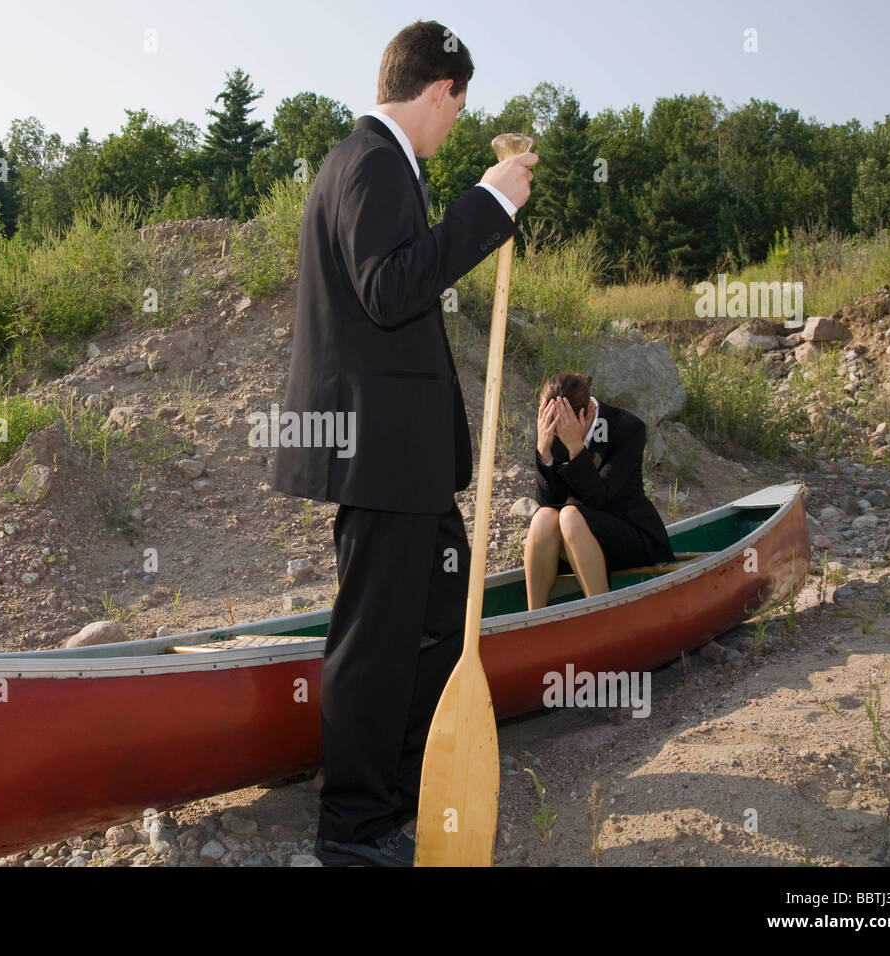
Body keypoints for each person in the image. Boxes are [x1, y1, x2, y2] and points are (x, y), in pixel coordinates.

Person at [270, 20, 537, 867]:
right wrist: (489, 205)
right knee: (374, 644)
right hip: (383, 460)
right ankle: (352, 828)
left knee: (441, 627)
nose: (457, 125)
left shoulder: (372, 164)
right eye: (458, 108)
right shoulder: (377, 163)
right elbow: (389, 289)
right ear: (439, 91)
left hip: (402, 463)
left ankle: (403, 778)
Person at [524, 372, 676, 610]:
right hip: (577, 545)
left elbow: (599, 498)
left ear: (588, 413)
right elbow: (548, 503)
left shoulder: (626, 429)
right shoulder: (554, 427)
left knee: (570, 515)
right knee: (544, 518)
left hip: (631, 537)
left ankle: (600, 613)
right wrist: (545, 453)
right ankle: (534, 618)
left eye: (562, 427)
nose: (557, 433)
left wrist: (576, 447)